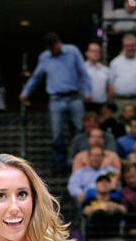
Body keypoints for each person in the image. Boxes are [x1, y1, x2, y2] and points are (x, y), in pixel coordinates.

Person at [20, 32, 90, 175]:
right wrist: (26, 92)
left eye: (56, 47)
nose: (54, 50)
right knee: (57, 134)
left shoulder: (72, 51)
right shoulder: (45, 57)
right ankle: (61, 165)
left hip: (75, 96)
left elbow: (83, 72)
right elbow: (36, 77)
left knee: (79, 130)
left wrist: (88, 91)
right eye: (51, 49)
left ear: (59, 43)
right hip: (56, 99)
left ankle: (80, 163)